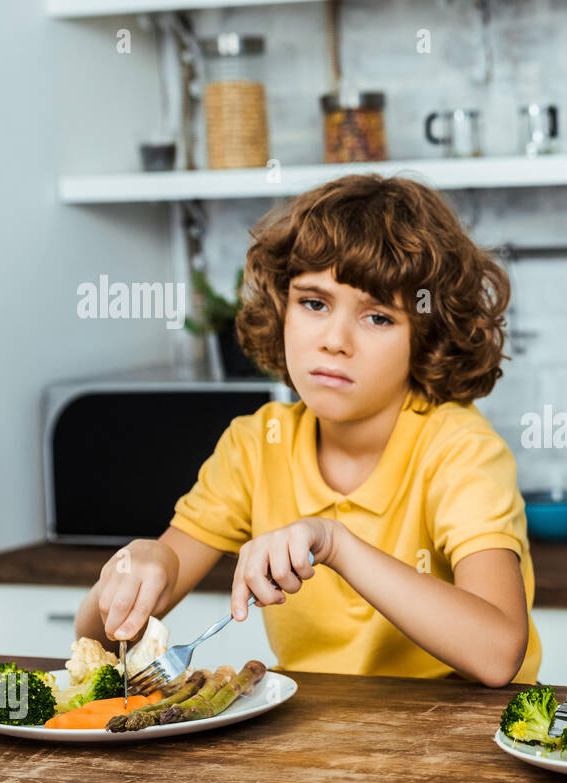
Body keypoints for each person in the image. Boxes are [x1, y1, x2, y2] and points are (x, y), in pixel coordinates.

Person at [74, 174, 541, 687]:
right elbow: (100, 643)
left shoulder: (460, 449)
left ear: (427, 336)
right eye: (314, 303)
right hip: (312, 748)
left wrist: (335, 544)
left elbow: (499, 654)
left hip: (453, 747)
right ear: (282, 309)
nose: (335, 341)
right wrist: (133, 567)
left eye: (378, 317)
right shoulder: (255, 446)